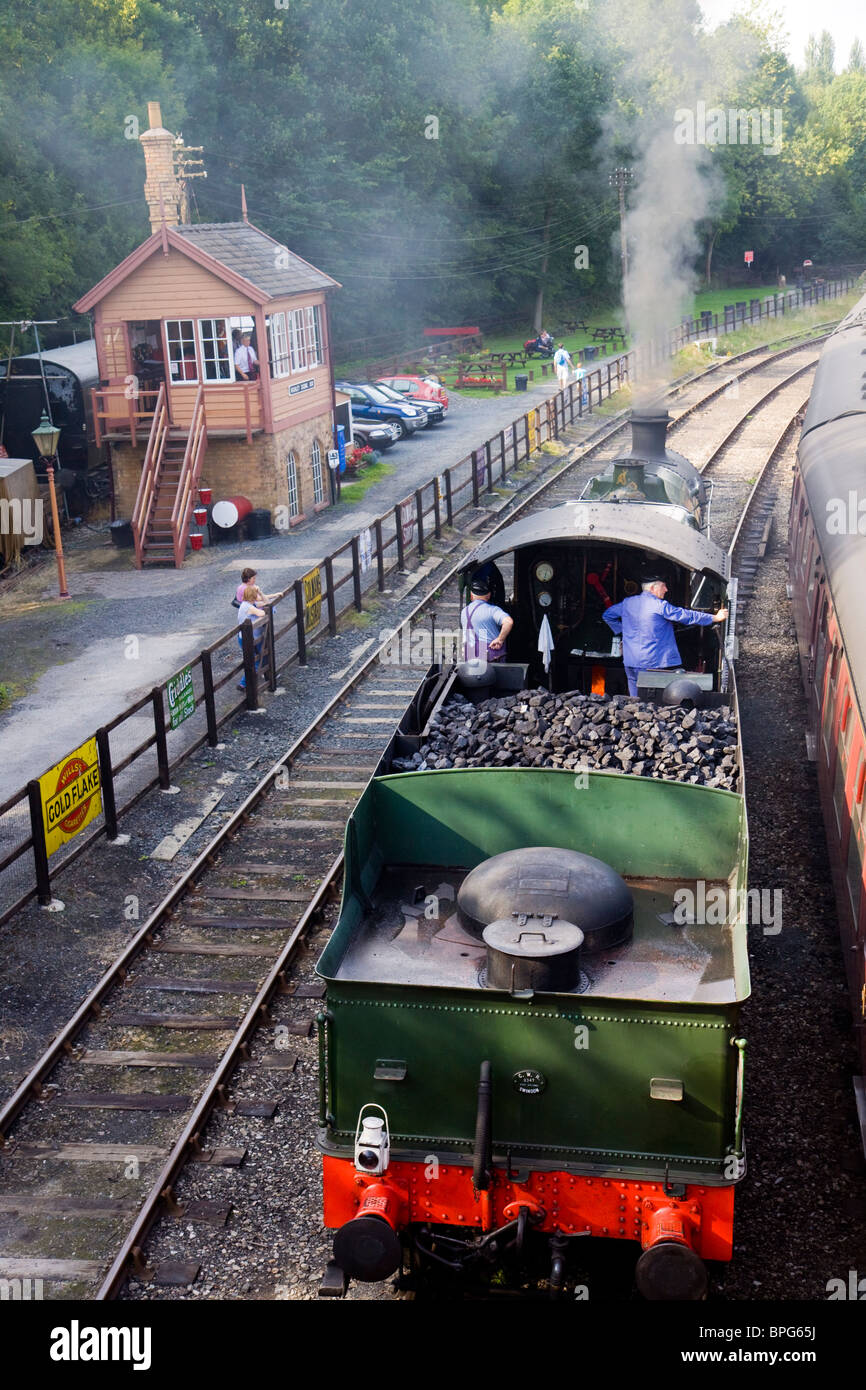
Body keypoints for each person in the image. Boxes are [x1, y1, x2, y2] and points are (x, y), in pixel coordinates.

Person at [602, 574, 728, 697]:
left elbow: (607, 615)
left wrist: (624, 631)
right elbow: (685, 616)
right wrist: (714, 617)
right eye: (663, 586)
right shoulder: (659, 606)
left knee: (635, 698)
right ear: (653, 588)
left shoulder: (627, 603)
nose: (666, 590)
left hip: (630, 661)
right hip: (651, 663)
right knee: (651, 700)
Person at [461, 575, 514, 663]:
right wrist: (500, 640)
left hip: (470, 655)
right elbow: (508, 622)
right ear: (488, 595)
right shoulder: (493, 610)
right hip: (491, 656)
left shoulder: (464, 611)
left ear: (471, 596)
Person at [236, 584, 268, 689]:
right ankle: (244, 684)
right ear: (253, 597)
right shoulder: (249, 607)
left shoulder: (245, 604)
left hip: (247, 637)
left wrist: (261, 594)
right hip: (249, 639)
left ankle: (246, 683)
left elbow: (266, 602)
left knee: (258, 658)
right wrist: (260, 596)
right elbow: (262, 613)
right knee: (255, 661)